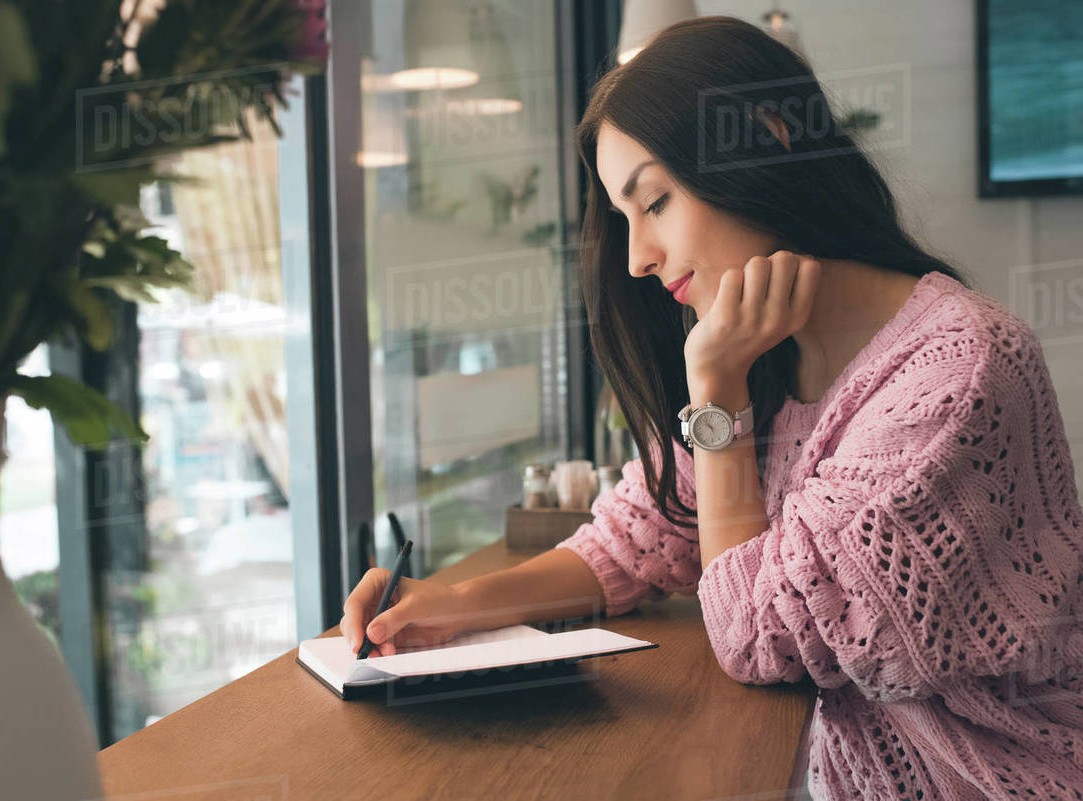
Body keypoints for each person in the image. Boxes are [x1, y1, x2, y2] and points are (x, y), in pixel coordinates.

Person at [340, 16, 1083, 800]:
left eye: (654, 201)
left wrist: (717, 391)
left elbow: (757, 634)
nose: (636, 257)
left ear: (765, 138)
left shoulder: (960, 369)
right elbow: (637, 537)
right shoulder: (766, 355)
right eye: (625, 218)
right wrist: (448, 606)